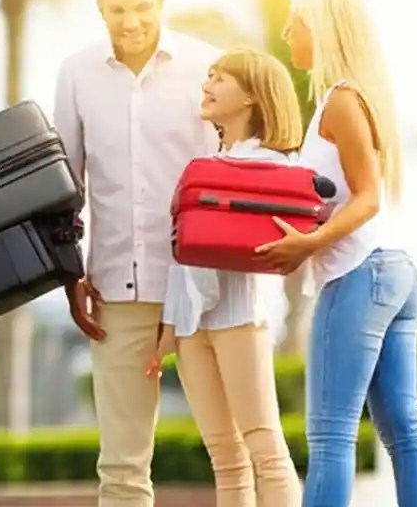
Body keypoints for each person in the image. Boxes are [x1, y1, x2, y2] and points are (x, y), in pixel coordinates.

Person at [257, 0, 417, 506]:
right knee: (403, 428)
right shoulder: (356, 98)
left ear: (324, 28)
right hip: (394, 271)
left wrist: (308, 243)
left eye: (296, 22)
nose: (287, 32)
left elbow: (367, 198)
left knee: (331, 434)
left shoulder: (340, 100)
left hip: (358, 272)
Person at [53, 0, 222, 507]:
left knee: (234, 451)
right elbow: (65, 188)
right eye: (118, 10)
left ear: (162, 2)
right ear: (99, 7)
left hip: (202, 287)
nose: (131, 22)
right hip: (116, 291)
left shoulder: (207, 67)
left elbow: (228, 171)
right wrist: (69, 276)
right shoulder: (76, 74)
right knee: (122, 469)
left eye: (143, 8)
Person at [146, 48, 303, 506]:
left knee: (264, 447)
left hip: (241, 315)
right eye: (208, 75)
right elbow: (183, 252)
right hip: (192, 324)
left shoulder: (278, 166)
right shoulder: (209, 163)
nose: (206, 85)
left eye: (219, 78)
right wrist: (170, 326)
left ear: (252, 95)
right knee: (224, 457)